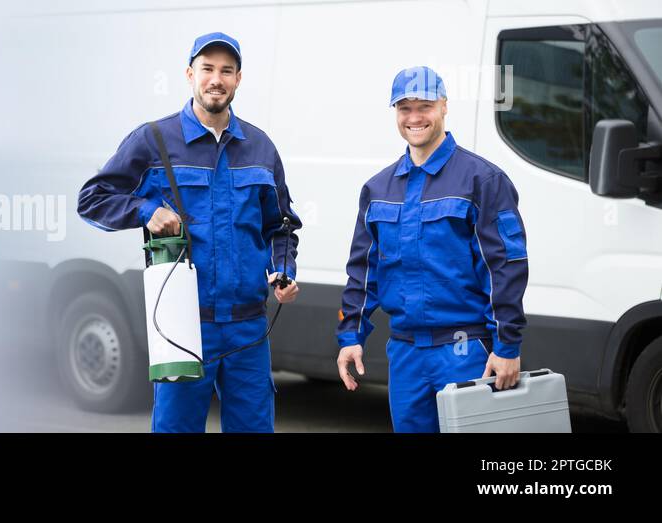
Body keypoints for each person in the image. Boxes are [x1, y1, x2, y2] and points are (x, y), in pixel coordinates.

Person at [78, 32, 301, 433]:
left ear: (238, 79)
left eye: (227, 71)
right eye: (208, 69)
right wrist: (146, 210)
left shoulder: (261, 148)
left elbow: (281, 226)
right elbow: (92, 200)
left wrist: (282, 269)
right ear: (189, 74)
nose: (217, 79)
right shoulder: (154, 140)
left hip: (248, 330)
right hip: (182, 325)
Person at [335, 66, 529, 432]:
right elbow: (363, 272)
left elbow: (504, 268)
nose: (414, 117)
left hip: (464, 350)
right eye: (404, 108)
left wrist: (506, 346)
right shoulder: (378, 189)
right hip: (405, 353)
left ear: (444, 106)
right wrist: (350, 337)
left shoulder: (482, 180)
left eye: (423, 106)